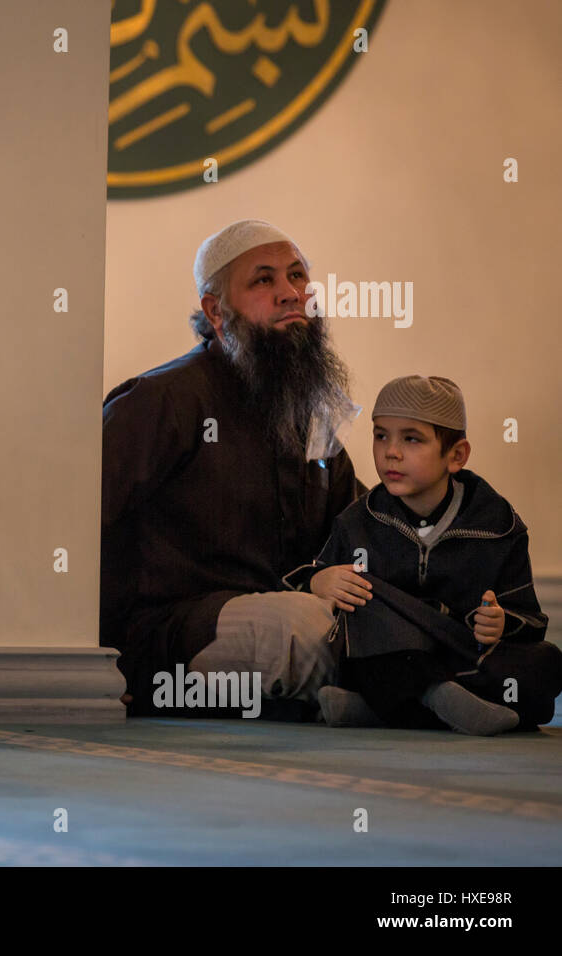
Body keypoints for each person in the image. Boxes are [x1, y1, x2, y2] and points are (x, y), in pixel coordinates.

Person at [102, 219, 365, 717]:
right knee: (300, 630)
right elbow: (88, 526)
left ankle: (392, 690)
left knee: (375, 608)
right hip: (175, 635)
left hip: (292, 606)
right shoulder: (163, 401)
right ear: (216, 311)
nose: (290, 293)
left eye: (297, 276)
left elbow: (359, 524)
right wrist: (103, 665)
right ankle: (395, 692)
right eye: (264, 280)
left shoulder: (307, 411)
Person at [303, 375, 560, 733]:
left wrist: (502, 622)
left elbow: (530, 618)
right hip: (393, 653)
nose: (391, 451)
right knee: (365, 599)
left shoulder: (498, 524)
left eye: (411, 438)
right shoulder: (358, 521)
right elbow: (313, 574)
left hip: (463, 654)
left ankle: (378, 711)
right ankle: (438, 696)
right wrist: (320, 578)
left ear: (456, 456)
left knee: (546, 662)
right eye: (381, 435)